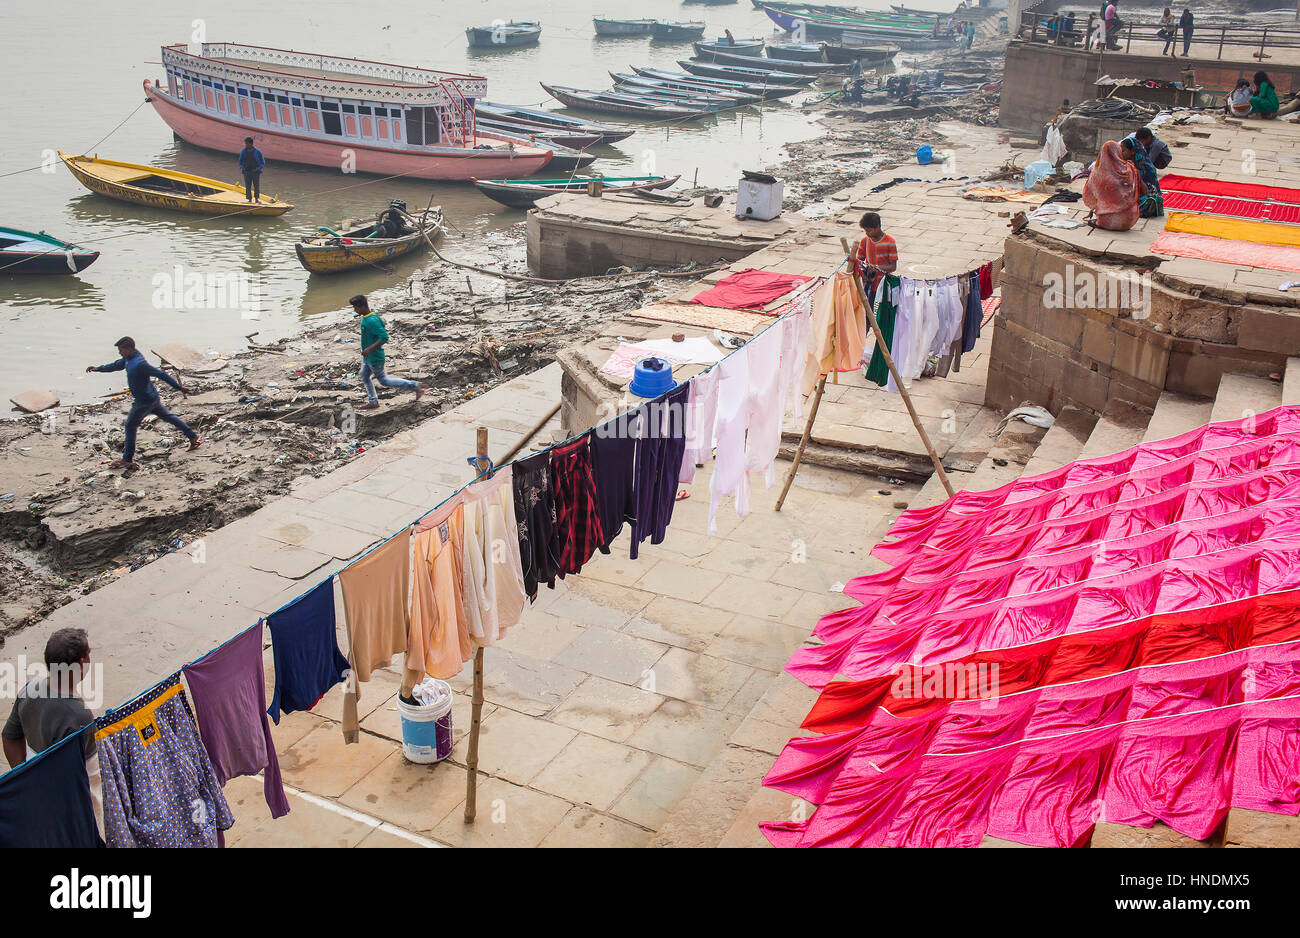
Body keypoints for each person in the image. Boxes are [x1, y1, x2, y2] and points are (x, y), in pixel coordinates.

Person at [86, 337, 198, 468]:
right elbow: (116, 365)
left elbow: (161, 375)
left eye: (121, 350)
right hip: (152, 397)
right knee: (168, 416)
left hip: (143, 401)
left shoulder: (139, 364)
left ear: (129, 349)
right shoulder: (128, 359)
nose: (119, 352)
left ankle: (127, 459)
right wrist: (98, 369)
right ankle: (192, 436)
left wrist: (178, 387)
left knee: (130, 426)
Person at [3, 629, 95, 768]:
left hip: (37, 774)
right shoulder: (80, 716)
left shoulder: (30, 689)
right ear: (81, 664)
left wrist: (23, 777)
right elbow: (79, 771)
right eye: (89, 654)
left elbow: (10, 737)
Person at [352, 295, 425, 410]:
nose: (354, 310)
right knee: (364, 375)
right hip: (368, 357)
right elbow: (382, 325)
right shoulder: (371, 316)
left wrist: (369, 349)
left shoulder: (371, 321)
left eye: (355, 307)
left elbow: (384, 337)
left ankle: (415, 385)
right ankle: (373, 401)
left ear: (361, 307)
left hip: (374, 357)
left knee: (384, 381)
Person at [1083, 140, 1142, 230]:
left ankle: (1103, 221)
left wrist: (1094, 208)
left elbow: (1095, 194)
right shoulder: (1130, 168)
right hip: (1130, 220)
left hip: (1110, 221)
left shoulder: (1098, 173)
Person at [855, 212, 898, 298]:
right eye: (865, 231)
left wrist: (876, 267)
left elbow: (893, 267)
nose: (867, 233)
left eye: (869, 230)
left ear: (877, 227)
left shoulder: (890, 242)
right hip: (869, 285)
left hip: (884, 285)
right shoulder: (864, 241)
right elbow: (858, 262)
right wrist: (863, 273)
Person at [1120, 136, 1164, 217]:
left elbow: (1143, 189)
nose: (1121, 153)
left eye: (1123, 151)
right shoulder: (1132, 164)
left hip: (1147, 197)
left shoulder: (1143, 167)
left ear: (1132, 151)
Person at [237, 136, 265, 203]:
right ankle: (249, 199)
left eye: (247, 143)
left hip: (255, 172)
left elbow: (263, 162)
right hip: (246, 171)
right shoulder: (243, 151)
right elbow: (240, 161)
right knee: (248, 186)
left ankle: (256, 199)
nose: (246, 145)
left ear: (251, 144)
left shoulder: (258, 152)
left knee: (256, 186)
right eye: (245, 143)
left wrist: (258, 168)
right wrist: (241, 166)